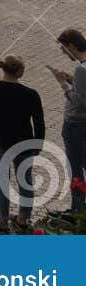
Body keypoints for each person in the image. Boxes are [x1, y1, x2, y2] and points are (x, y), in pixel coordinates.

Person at [0, 54, 45, 229]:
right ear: (20, 72)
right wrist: (38, 145)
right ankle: (23, 218)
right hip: (24, 145)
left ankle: (2, 221)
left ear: (3, 68)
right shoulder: (31, 94)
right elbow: (39, 122)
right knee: (25, 180)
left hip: (0, 143)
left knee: (1, 182)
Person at [50, 28, 86, 212]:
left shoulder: (81, 68)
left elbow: (79, 102)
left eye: (63, 48)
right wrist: (72, 80)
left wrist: (62, 83)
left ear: (71, 45)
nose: (63, 52)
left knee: (75, 169)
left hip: (76, 125)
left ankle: (77, 210)